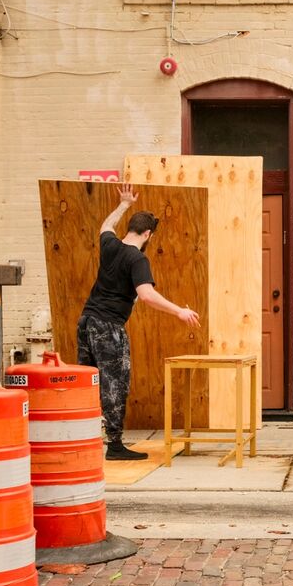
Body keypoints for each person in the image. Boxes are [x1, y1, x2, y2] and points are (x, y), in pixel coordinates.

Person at [78, 183, 200, 460]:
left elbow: (105, 226)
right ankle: (115, 446)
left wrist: (123, 204)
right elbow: (146, 295)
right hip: (108, 327)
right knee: (114, 383)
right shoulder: (137, 259)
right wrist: (179, 311)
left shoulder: (110, 245)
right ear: (147, 234)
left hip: (86, 321)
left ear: (131, 228)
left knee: (88, 381)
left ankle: (83, 437)